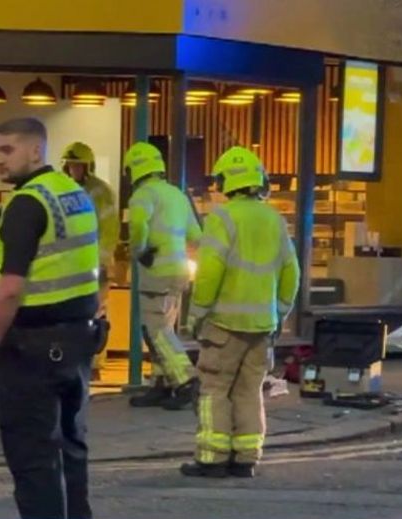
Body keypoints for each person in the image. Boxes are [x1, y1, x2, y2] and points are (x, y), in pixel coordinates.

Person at [0, 117, 105, 519]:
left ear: (36, 150)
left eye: (7, 150)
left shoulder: (26, 204)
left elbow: (10, 288)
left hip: (31, 349)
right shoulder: (75, 195)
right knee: (72, 449)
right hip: (77, 343)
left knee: (34, 461)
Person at [181, 146, 300, 479]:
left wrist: (196, 315)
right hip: (263, 325)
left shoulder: (222, 218)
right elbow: (292, 273)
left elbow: (208, 273)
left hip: (224, 324)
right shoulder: (274, 219)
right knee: (250, 390)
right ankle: (247, 456)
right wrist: (279, 312)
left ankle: (213, 457)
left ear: (225, 182)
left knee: (215, 389)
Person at [124, 141, 202, 411]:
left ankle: (186, 379)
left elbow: (137, 227)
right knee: (165, 329)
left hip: (155, 272)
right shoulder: (177, 195)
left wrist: (139, 251)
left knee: (156, 332)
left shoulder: (142, 196)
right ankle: (161, 383)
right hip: (179, 272)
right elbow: (196, 236)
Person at [61, 142, 118, 376]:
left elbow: (109, 229)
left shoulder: (101, 192)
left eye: (78, 165)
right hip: (72, 264)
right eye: (71, 165)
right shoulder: (64, 189)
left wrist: (103, 263)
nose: (74, 169)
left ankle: (95, 362)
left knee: (96, 311)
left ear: (88, 166)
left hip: (95, 264)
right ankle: (75, 358)